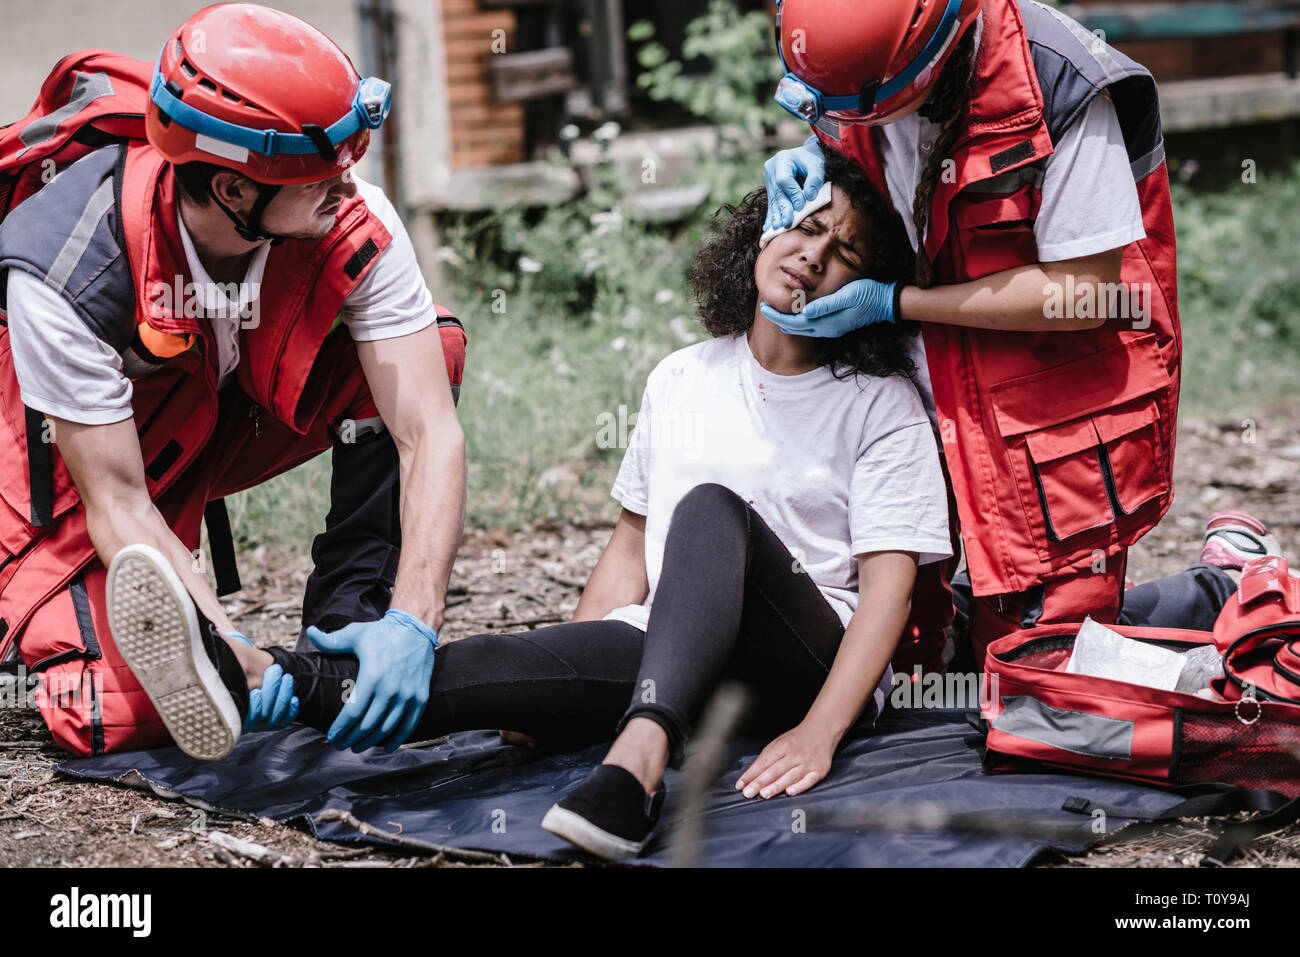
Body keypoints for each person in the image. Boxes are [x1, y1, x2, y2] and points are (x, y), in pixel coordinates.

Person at [110, 147, 954, 860]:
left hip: (797, 665)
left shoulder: (878, 402)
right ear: (766, 226)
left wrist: (822, 732)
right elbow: (629, 550)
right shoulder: (684, 376)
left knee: (709, 510)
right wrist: (553, 677)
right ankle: (262, 677)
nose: (814, 254)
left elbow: (888, 591)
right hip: (677, 653)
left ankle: (635, 767)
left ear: (865, 287)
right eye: (808, 226)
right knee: (483, 672)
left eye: (844, 253)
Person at [0, 3, 467, 759]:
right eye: (321, 177)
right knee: (110, 714)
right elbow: (117, 502)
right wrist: (232, 646)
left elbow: (428, 431)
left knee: (433, 352)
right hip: (80, 459)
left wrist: (415, 619)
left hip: (217, 418)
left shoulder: (346, 215)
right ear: (232, 190)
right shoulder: (64, 269)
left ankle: (348, 621)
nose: (347, 191)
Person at [761, 0, 1181, 671]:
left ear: (934, 64)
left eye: (865, 112)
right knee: (904, 662)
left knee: (1034, 692)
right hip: (923, 396)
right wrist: (819, 150)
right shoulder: (855, 52)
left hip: (1050, 423)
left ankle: (1223, 584)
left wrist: (899, 303)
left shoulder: (1060, 86)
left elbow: (1087, 292)